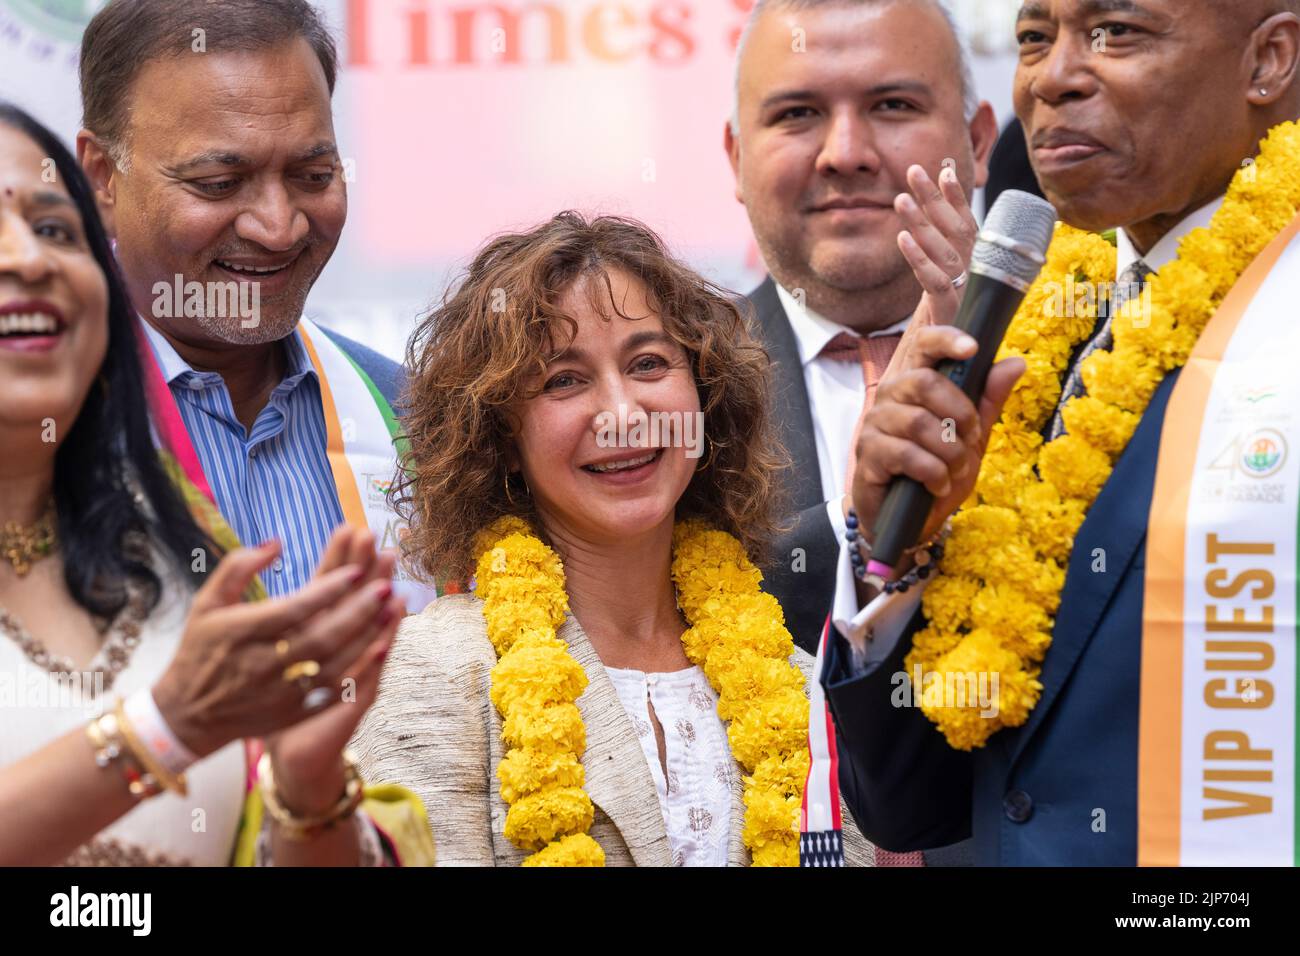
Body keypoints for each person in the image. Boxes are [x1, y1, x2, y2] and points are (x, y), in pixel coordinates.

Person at [823, 0, 1300, 865]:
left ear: (1268, 60)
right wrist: (895, 548)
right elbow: (907, 807)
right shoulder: (1036, 330)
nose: (1052, 77)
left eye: (1116, 32)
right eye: (1034, 39)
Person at [352, 212, 874, 866]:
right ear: (501, 438)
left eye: (649, 363)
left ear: (703, 400)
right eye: (564, 380)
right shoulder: (434, 671)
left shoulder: (799, 687)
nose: (624, 415)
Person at [0, 102, 427, 867]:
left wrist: (304, 787)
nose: (28, 258)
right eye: (220, 178)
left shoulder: (174, 551)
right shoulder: (184, 685)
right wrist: (162, 729)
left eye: (56, 229)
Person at [725, 0, 996, 866]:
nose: (846, 152)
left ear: (980, 140)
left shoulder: (1101, 365)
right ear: (734, 155)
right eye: (798, 113)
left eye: (892, 105)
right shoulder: (657, 404)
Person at [74, 0, 436, 609]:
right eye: (219, 184)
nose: (279, 227)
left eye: (314, 175)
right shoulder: (31, 420)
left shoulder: (419, 425)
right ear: (103, 178)